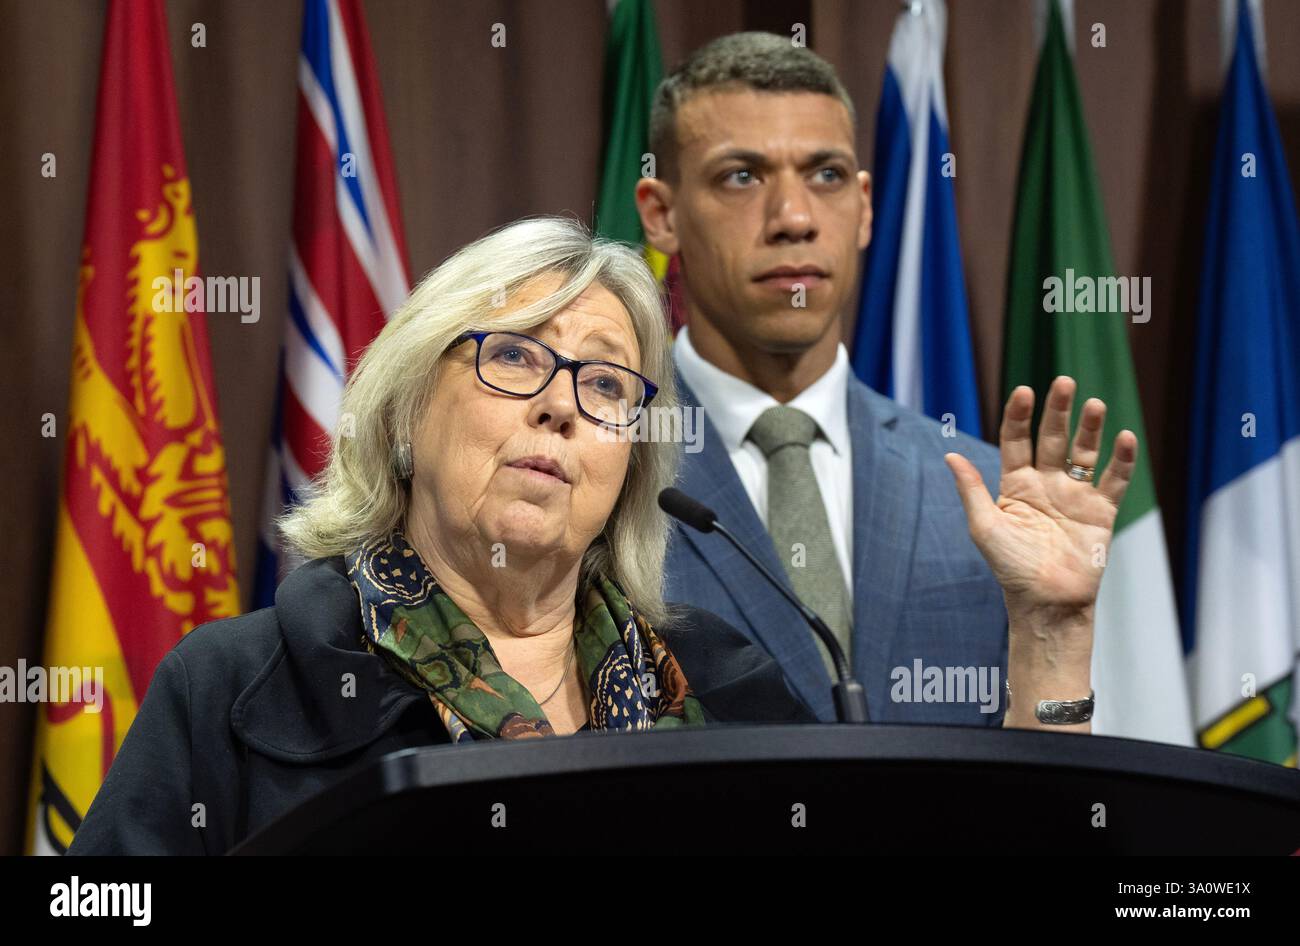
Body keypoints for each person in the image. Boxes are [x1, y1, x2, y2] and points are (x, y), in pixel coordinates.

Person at [68, 216, 812, 855]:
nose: (561, 405)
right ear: (405, 413)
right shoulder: (233, 684)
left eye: (606, 383)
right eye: (516, 354)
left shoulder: (729, 684)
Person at [635, 33, 1136, 728]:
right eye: (742, 176)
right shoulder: (603, 474)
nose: (795, 219)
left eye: (827, 175)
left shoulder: (990, 498)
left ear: (866, 206)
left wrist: (1055, 632)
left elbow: (1047, 801)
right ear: (662, 214)